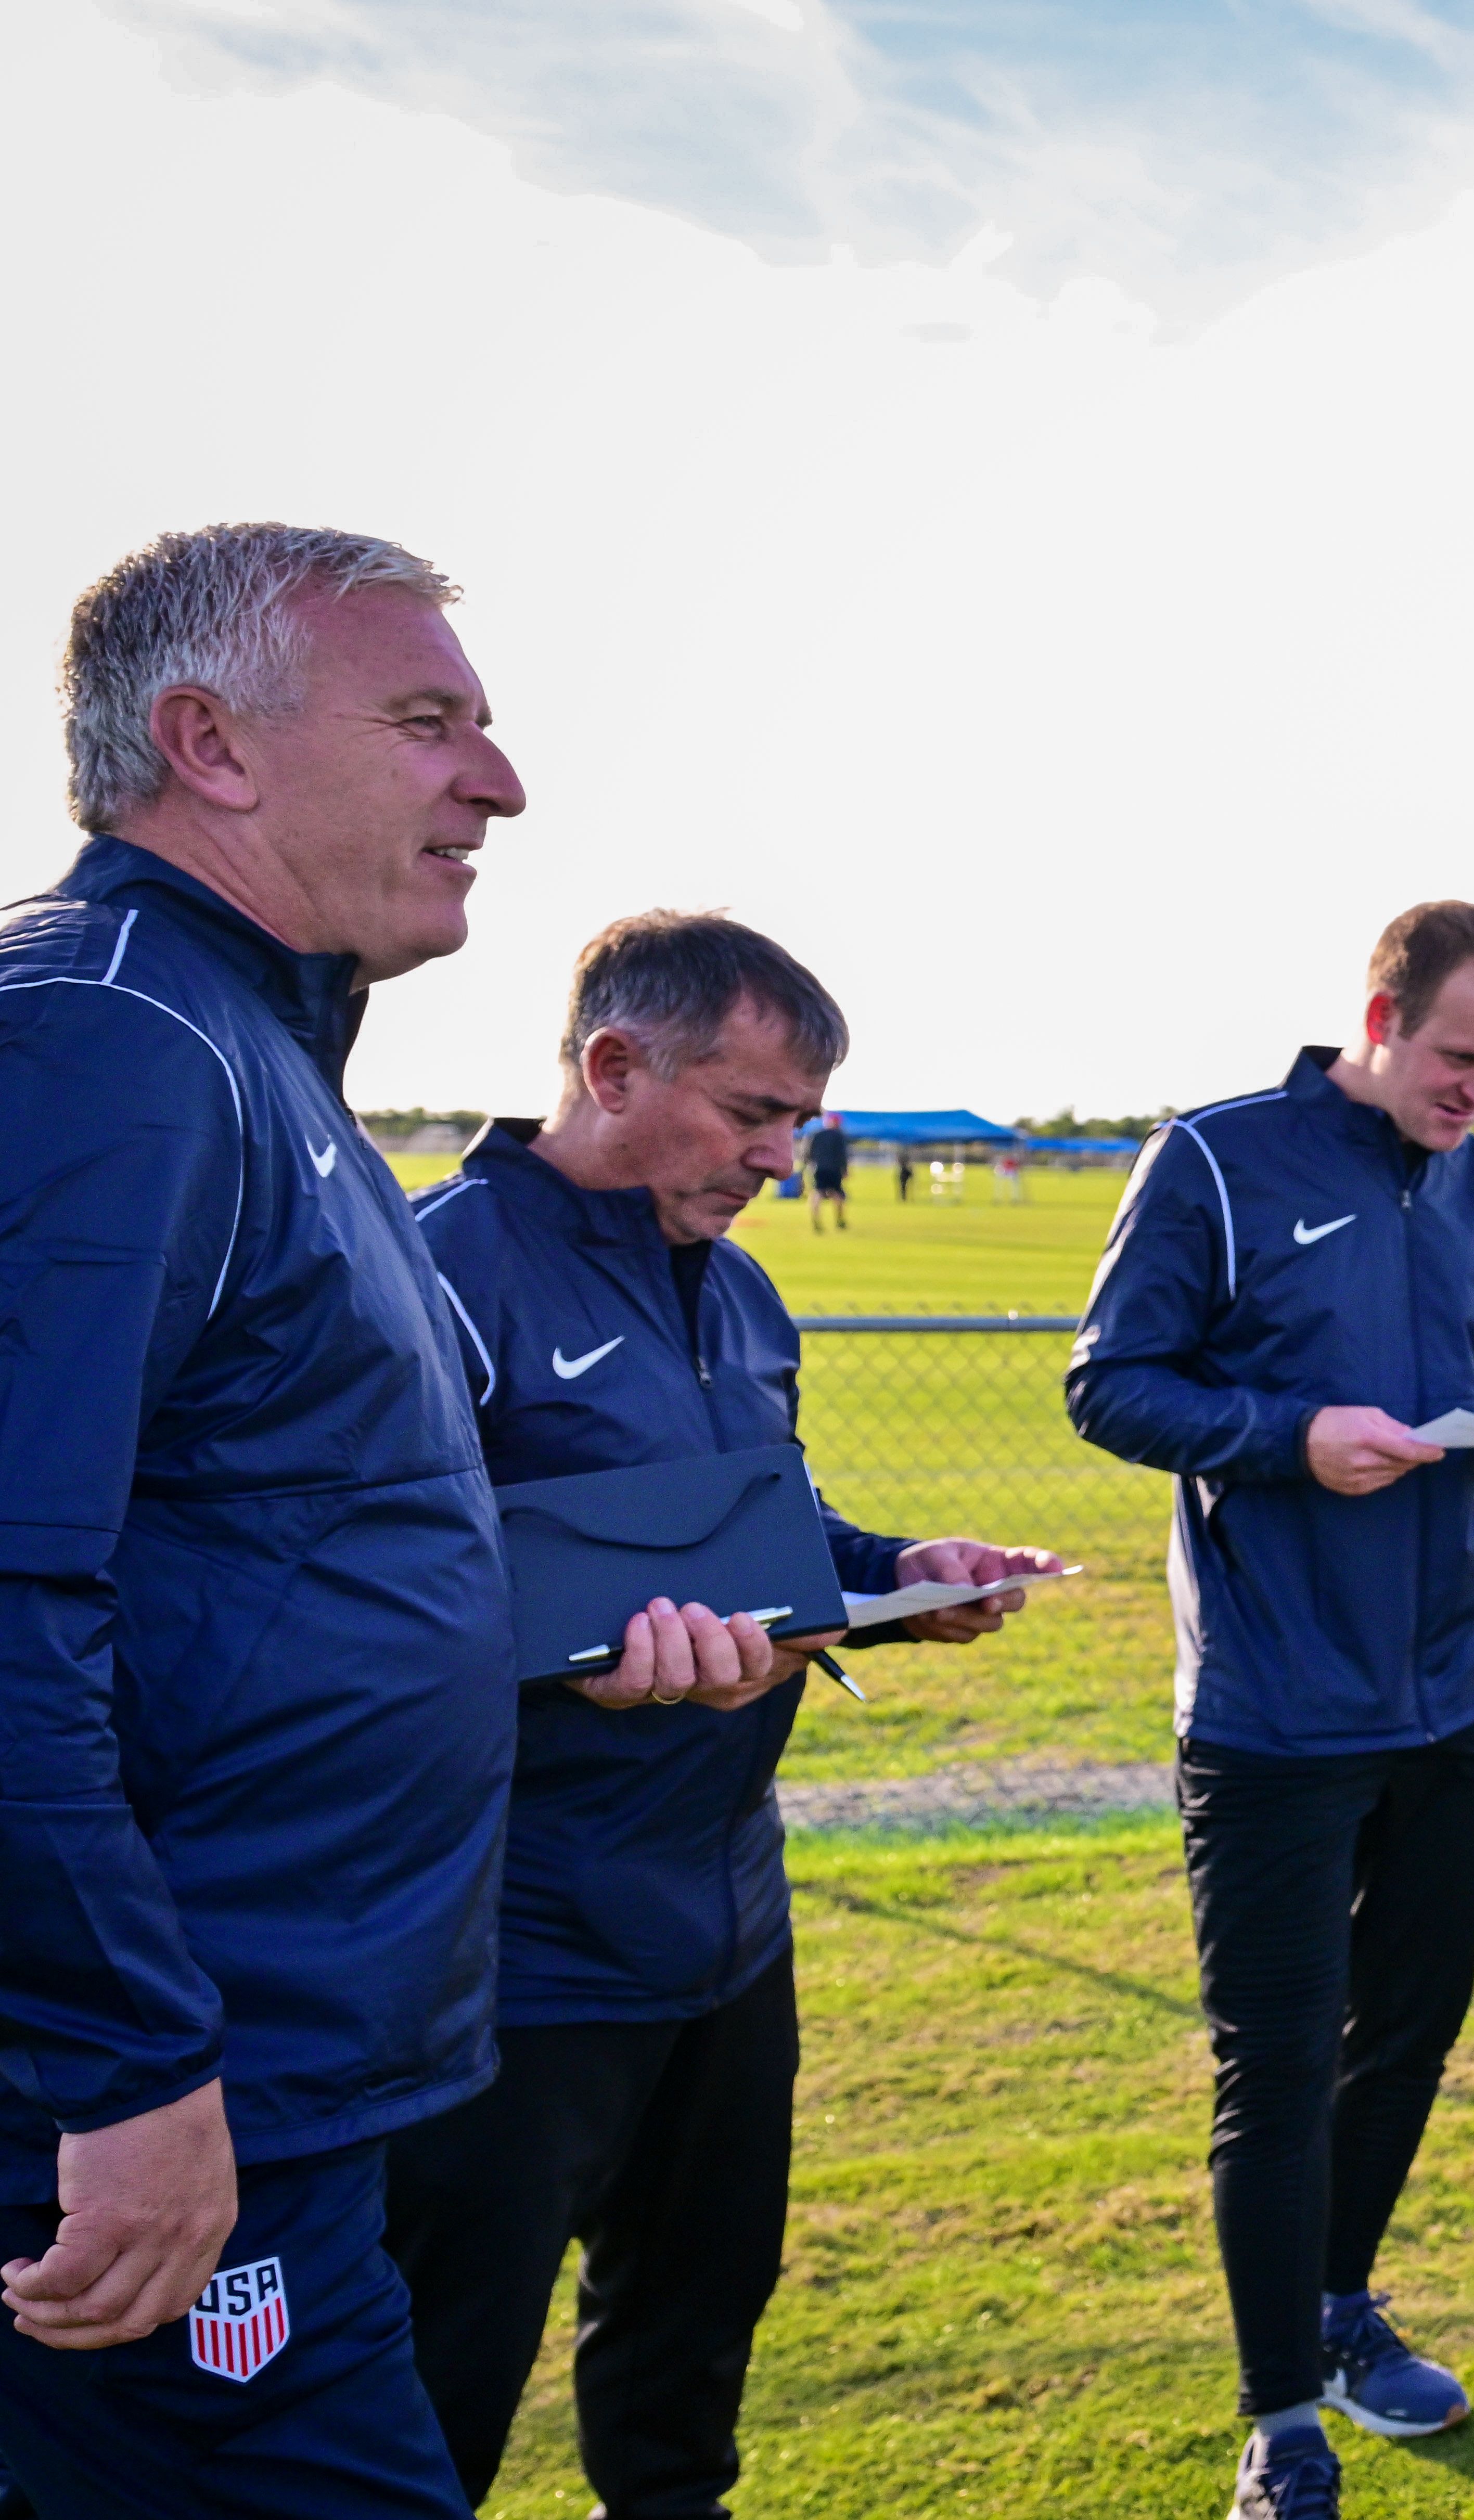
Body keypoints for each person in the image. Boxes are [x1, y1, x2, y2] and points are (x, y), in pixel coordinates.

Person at [381, 913, 1061, 2519]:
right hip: (512, 1946)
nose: (781, 1152)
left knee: (689, 2360)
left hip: (725, 1919)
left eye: (799, 1119)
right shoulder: (431, 1270)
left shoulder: (745, 1292)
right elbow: (353, 1607)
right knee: (437, 2381)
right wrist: (573, 1664)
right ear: (613, 1066)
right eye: (752, 1111)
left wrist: (898, 1570)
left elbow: (766, 1534)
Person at [0, 526, 525, 2518]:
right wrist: (123, 2069)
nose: (496, 781)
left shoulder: (240, 1040)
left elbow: (277, 1548)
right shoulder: (110, 1039)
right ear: (208, 741)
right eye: (428, 722)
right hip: (159, 2095)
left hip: (272, 2069)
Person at [1066, 901, 1474, 2519]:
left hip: (1452, 1686)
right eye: (1462, 1058)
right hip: (1272, 1704)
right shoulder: (1218, 1159)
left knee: (1412, 2030)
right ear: (1376, 1019)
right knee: (1276, 2064)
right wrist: (1290, 1434)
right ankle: (1277, 2419)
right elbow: (1111, 1381)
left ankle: (1340, 2308)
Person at [805, 1112, 849, 1230]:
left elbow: (809, 1152)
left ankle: (816, 1220)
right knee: (838, 1194)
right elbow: (842, 1155)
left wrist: (810, 1164)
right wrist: (845, 1170)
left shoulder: (817, 1134)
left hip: (819, 1168)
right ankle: (840, 1221)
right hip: (835, 1169)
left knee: (818, 1192)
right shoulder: (839, 1136)